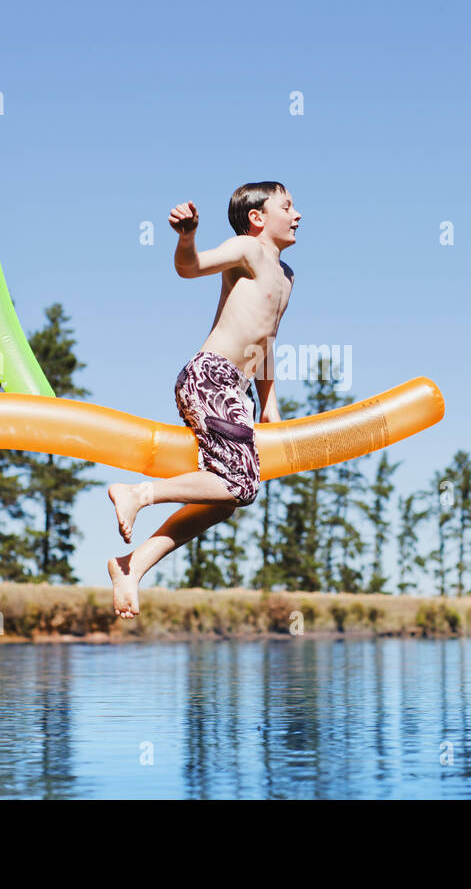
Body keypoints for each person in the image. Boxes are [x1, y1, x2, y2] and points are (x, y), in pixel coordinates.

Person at [106, 182, 300, 617]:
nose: (297, 214)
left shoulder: (287, 278)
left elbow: (267, 342)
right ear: (257, 218)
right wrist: (187, 235)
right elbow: (190, 268)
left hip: (237, 390)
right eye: (287, 206)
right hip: (210, 377)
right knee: (240, 484)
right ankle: (139, 493)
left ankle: (131, 566)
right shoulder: (247, 251)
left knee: (224, 502)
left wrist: (269, 404)